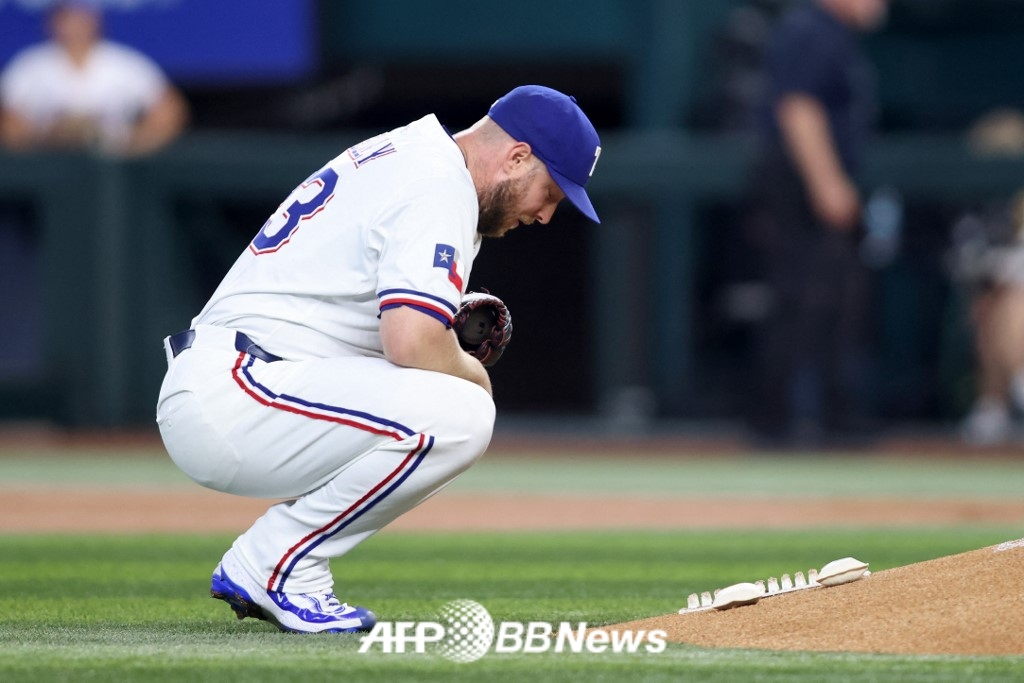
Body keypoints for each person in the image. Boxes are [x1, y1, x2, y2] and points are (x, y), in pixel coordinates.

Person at [155, 85, 602, 633]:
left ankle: (274, 563)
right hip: (239, 390)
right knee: (461, 412)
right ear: (517, 156)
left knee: (442, 399)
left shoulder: (415, 155)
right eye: (552, 191)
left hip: (249, 376)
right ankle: (275, 566)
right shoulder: (439, 185)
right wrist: (473, 373)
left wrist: (445, 321)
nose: (547, 215)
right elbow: (411, 341)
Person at [744, 0, 888, 444]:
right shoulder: (810, 29)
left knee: (833, 298)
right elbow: (798, 108)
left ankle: (825, 415)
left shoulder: (830, 33)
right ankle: (778, 419)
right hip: (800, 184)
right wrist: (827, 182)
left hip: (808, 182)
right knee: (803, 297)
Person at [0, 0, 188, 156]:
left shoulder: (124, 63)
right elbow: (9, 122)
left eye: (81, 18)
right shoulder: (29, 66)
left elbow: (169, 111)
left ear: (95, 21)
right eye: (68, 18)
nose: (75, 25)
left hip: (111, 163)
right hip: (48, 163)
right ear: (53, 23)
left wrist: (134, 146)